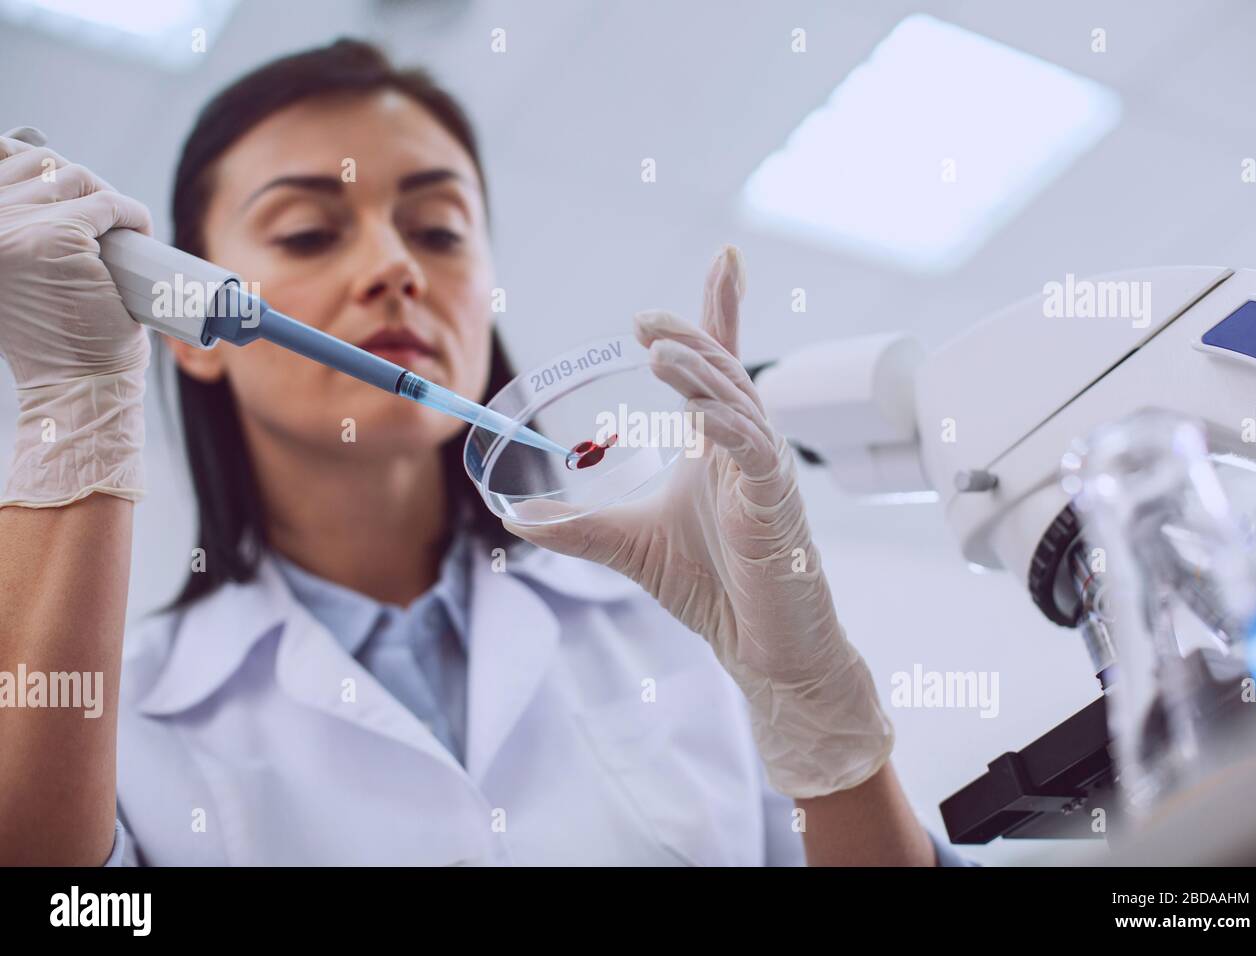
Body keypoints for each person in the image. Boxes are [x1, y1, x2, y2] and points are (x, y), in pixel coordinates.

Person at [0, 39, 965, 866]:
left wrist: (816, 715)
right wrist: (76, 402)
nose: (395, 267)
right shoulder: (108, 718)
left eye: (438, 230)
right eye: (307, 232)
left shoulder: (678, 623)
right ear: (188, 325)